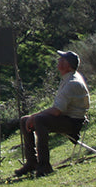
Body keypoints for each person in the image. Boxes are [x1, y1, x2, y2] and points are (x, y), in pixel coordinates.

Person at [15, 50, 91, 178]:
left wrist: (34, 116)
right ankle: (32, 162)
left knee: (39, 119)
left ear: (67, 65)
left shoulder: (72, 83)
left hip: (73, 122)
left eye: (62, 59)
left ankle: (44, 166)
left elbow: (56, 111)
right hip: (66, 117)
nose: (58, 61)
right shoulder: (68, 78)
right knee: (24, 120)